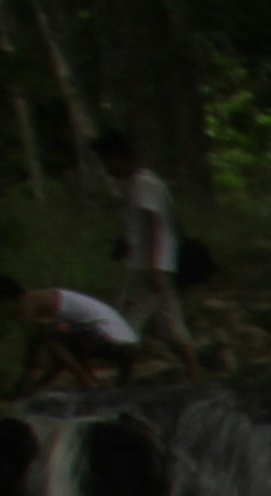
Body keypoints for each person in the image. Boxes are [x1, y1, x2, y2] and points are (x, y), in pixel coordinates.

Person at [87, 132, 195, 369]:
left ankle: (122, 375)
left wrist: (154, 265)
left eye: (108, 161)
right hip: (148, 263)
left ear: (121, 157)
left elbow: (154, 224)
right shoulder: (132, 185)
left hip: (149, 265)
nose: (107, 168)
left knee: (127, 322)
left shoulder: (144, 183)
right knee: (169, 320)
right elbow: (141, 226)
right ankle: (193, 372)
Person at [0, 277, 139, 389]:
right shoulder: (48, 304)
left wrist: (26, 387)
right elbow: (58, 361)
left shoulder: (30, 303)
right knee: (62, 336)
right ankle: (90, 380)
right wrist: (33, 388)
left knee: (49, 334)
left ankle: (88, 380)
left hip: (113, 339)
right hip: (125, 340)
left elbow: (36, 362)